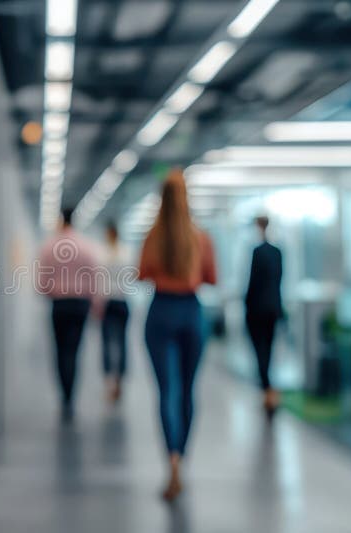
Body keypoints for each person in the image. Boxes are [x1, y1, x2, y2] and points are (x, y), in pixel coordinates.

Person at [138, 169, 217, 501]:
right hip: (190, 312)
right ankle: (181, 457)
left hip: (160, 311)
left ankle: (171, 458)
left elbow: (142, 273)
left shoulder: (152, 238)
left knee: (166, 391)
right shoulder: (200, 238)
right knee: (187, 390)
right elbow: (211, 278)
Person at [37, 208, 99, 422]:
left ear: (60, 219)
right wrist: (95, 303)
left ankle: (65, 396)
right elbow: (93, 277)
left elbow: (42, 282)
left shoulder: (50, 246)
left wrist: (52, 291)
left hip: (60, 304)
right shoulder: (85, 246)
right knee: (74, 349)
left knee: (60, 350)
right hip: (80, 305)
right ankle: (71, 396)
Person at [245, 215, 283, 416]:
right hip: (273, 308)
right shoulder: (277, 253)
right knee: (268, 349)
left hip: (257, 309)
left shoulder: (257, 252)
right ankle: (268, 390)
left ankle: (268, 390)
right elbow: (279, 281)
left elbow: (253, 283)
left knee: (260, 351)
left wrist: (247, 304)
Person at [101, 222, 131, 404]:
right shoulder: (126, 253)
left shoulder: (104, 254)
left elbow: (100, 281)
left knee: (107, 342)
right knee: (121, 341)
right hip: (122, 301)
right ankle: (118, 380)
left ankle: (110, 381)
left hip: (110, 301)